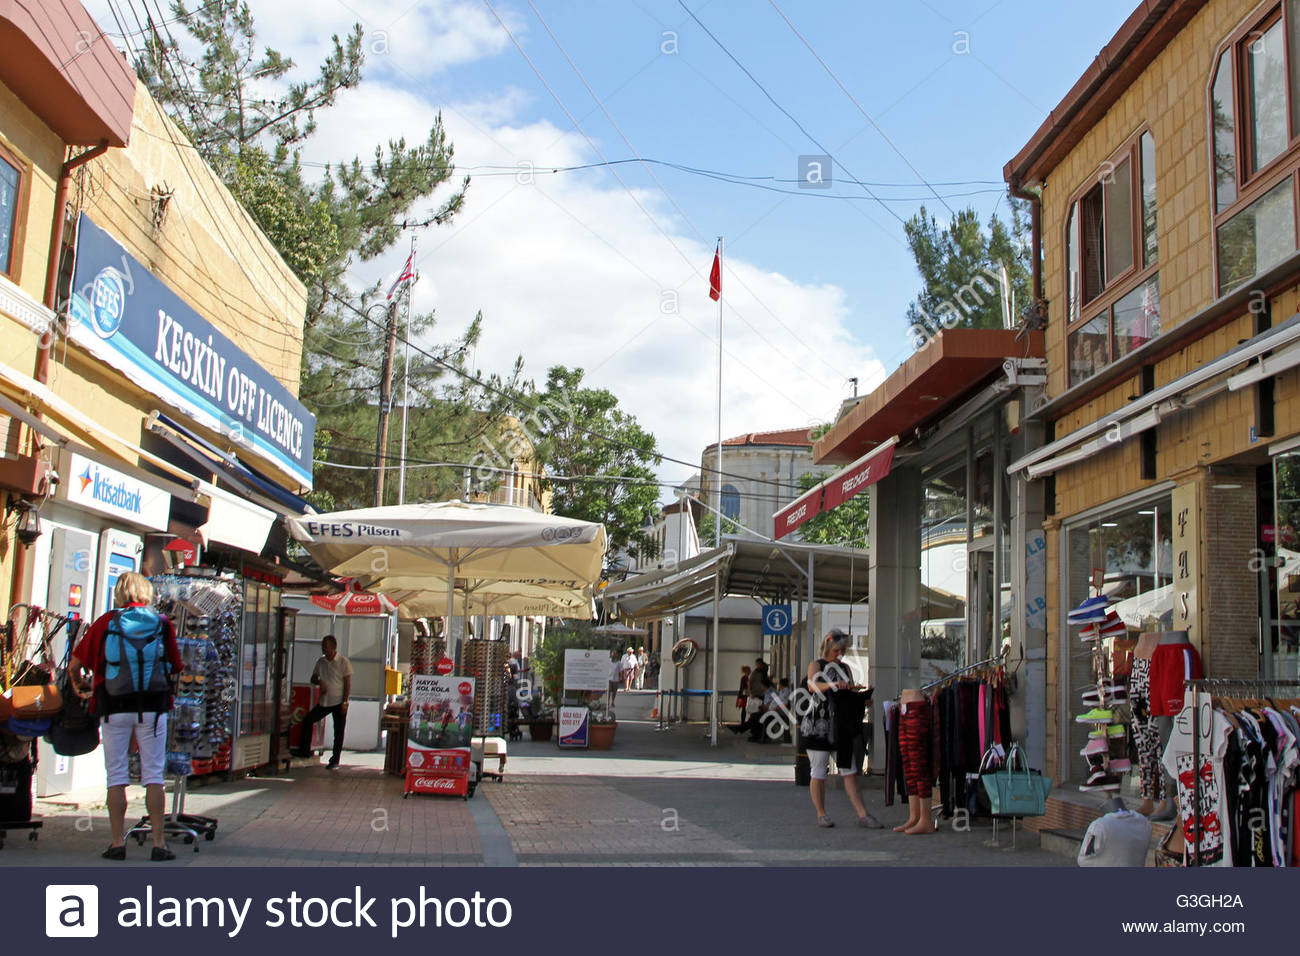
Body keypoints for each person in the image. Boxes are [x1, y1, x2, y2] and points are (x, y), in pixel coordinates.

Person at [68, 572, 185, 861]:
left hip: (113, 707)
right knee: (153, 774)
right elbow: (176, 665)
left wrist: (80, 684)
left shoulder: (106, 622)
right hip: (153, 707)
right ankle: (159, 843)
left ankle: (117, 843)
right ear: (146, 593)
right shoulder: (160, 622)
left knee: (116, 775)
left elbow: (75, 664)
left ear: (119, 593)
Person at [802, 629, 882, 829]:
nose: (840, 654)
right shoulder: (816, 665)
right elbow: (812, 686)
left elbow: (849, 693)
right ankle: (821, 814)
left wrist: (861, 698)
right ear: (828, 647)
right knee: (818, 769)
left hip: (841, 725)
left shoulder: (845, 668)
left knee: (849, 770)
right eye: (837, 650)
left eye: (843, 650)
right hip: (818, 723)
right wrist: (833, 684)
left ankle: (863, 814)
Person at [293, 635, 352, 769]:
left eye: (325, 646)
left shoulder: (343, 662)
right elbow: (313, 678)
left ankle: (335, 760)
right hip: (324, 701)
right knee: (308, 719)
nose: (323, 649)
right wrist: (320, 681)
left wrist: (345, 701)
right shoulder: (321, 662)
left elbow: (347, 683)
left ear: (332, 648)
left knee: (339, 731)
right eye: (322, 646)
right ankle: (305, 751)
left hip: (338, 701)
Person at [728, 665, 751, 733]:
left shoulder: (747, 678)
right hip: (744, 695)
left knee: (746, 709)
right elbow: (743, 687)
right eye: (747, 671)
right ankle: (743, 723)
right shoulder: (744, 678)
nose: (748, 672)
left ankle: (743, 723)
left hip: (745, 695)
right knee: (744, 709)